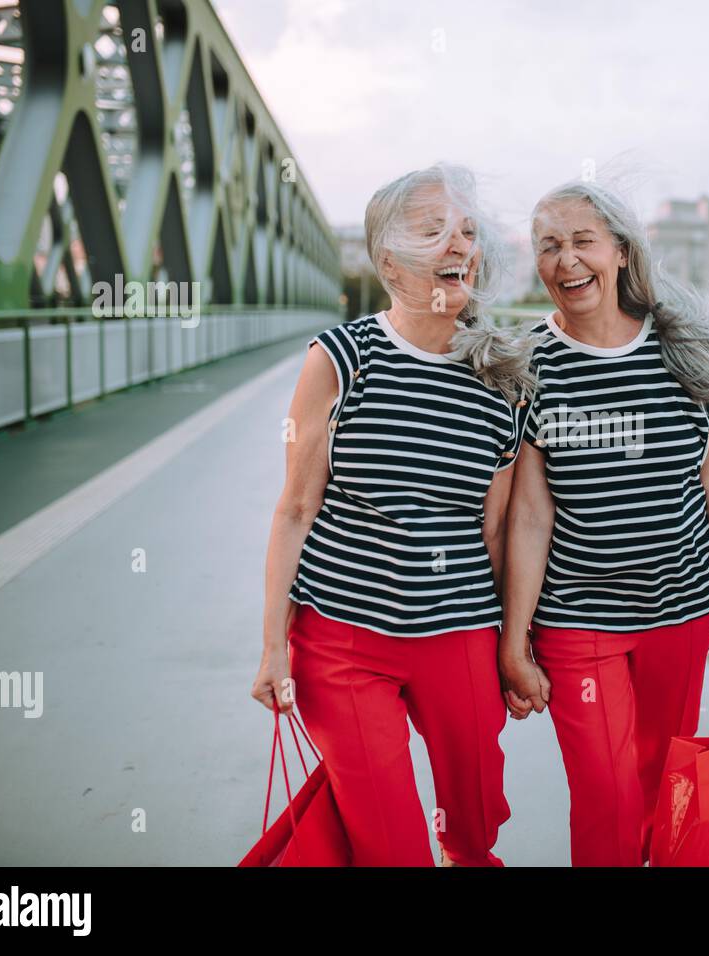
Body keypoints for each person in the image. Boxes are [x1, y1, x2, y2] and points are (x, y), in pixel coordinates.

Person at [499, 178, 709, 866]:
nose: (566, 261)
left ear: (622, 252)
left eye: (582, 242)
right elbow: (530, 514)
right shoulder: (528, 365)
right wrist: (515, 640)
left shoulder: (682, 349)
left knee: (666, 784)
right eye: (549, 247)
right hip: (578, 618)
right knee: (604, 794)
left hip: (681, 610)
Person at [250, 163, 534, 866]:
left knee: (473, 828)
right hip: (345, 639)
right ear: (390, 264)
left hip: (459, 630)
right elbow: (295, 509)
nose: (457, 247)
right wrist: (271, 645)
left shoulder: (501, 376)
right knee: (391, 845)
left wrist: (510, 645)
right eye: (433, 231)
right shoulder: (341, 359)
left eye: (466, 231)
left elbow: (496, 530)